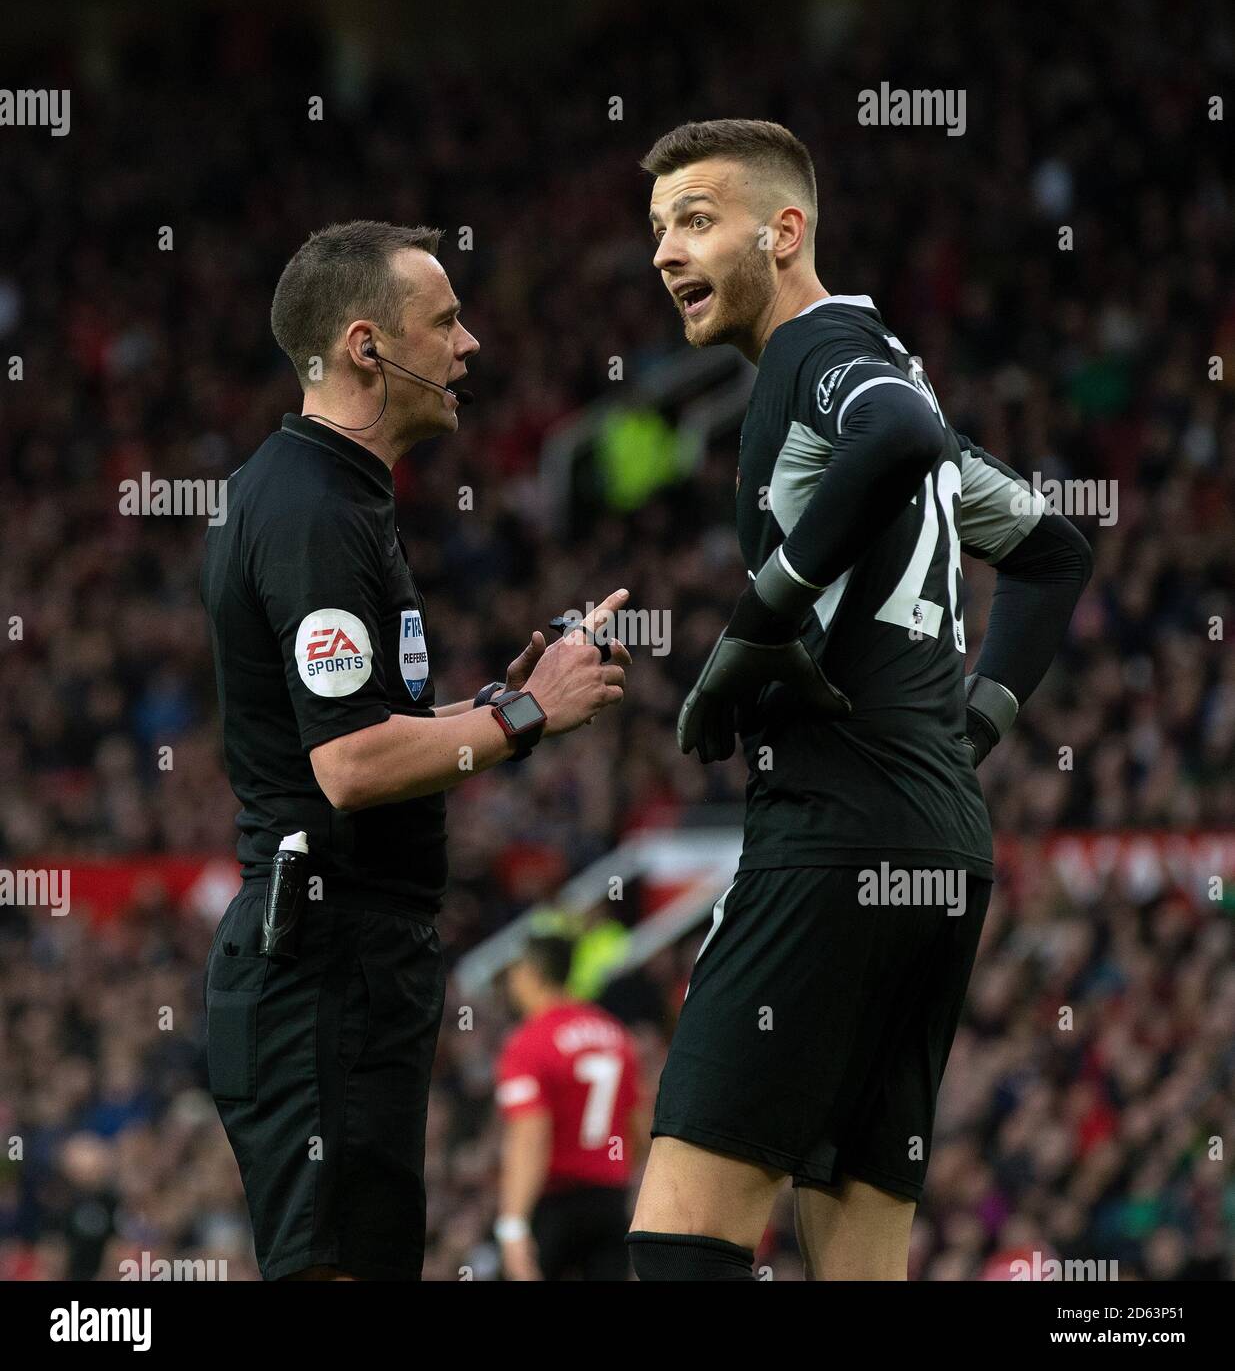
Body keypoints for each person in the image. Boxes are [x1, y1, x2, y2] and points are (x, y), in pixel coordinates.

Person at [628, 121, 1092, 1281]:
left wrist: (759, 617)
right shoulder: (881, 371)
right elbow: (1051, 552)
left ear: (783, 233)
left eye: (694, 220)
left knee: (680, 1241)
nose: (664, 253)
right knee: (858, 1259)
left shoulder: (815, 352)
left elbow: (897, 432)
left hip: (828, 841)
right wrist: (970, 730)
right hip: (937, 847)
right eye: (655, 231)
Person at [199, 219, 630, 1281]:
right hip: (322, 961)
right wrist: (523, 720)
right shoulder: (312, 511)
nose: (469, 344)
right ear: (363, 345)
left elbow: (359, 735)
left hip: (347, 961)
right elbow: (345, 766)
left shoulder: (328, 493)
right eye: (444, 321)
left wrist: (503, 705)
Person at [494, 933, 644, 1281]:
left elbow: (530, 1134)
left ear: (531, 973)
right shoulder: (616, 1034)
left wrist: (513, 1226)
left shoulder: (528, 1042)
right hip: (609, 1201)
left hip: (554, 1203)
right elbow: (638, 1125)